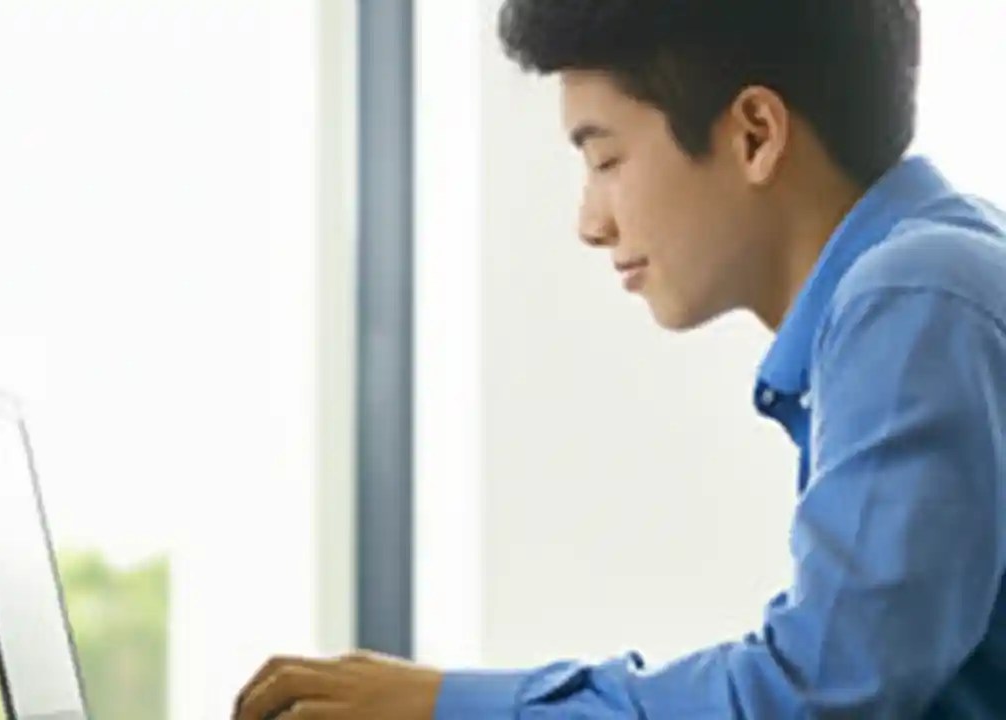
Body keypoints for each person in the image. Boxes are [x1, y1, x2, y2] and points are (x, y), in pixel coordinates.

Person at [234, 0, 1006, 717]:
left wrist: (446, 706)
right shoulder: (936, 277)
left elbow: (812, 694)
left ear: (755, 134)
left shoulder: (915, 295)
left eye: (605, 160)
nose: (590, 222)